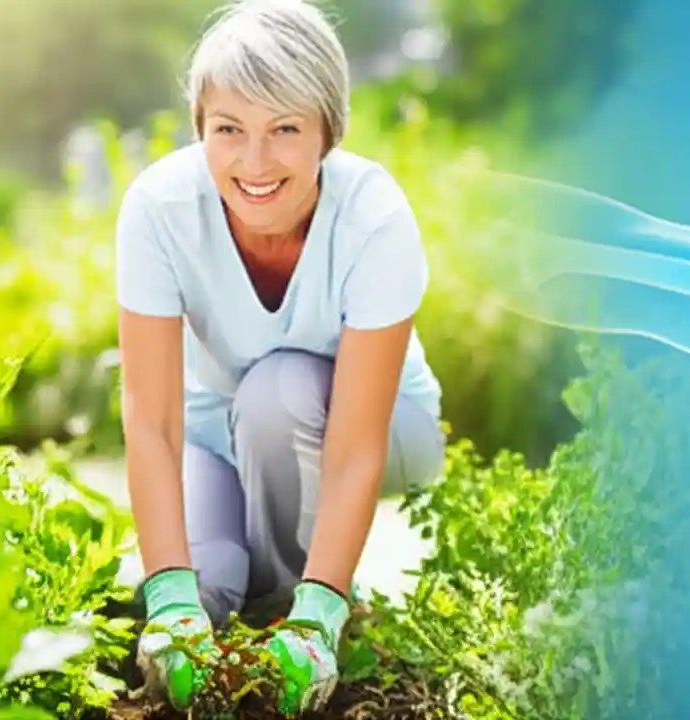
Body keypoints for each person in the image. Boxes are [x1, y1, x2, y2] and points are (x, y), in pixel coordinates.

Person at [115, 0, 445, 714]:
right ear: (201, 127)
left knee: (277, 392)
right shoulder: (159, 210)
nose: (255, 162)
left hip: (385, 430)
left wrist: (318, 608)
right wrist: (172, 599)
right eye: (229, 129)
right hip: (216, 435)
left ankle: (309, 608)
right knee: (205, 588)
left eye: (285, 129)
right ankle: (254, 591)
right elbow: (153, 422)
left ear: (328, 130)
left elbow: (355, 446)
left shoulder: (374, 220)